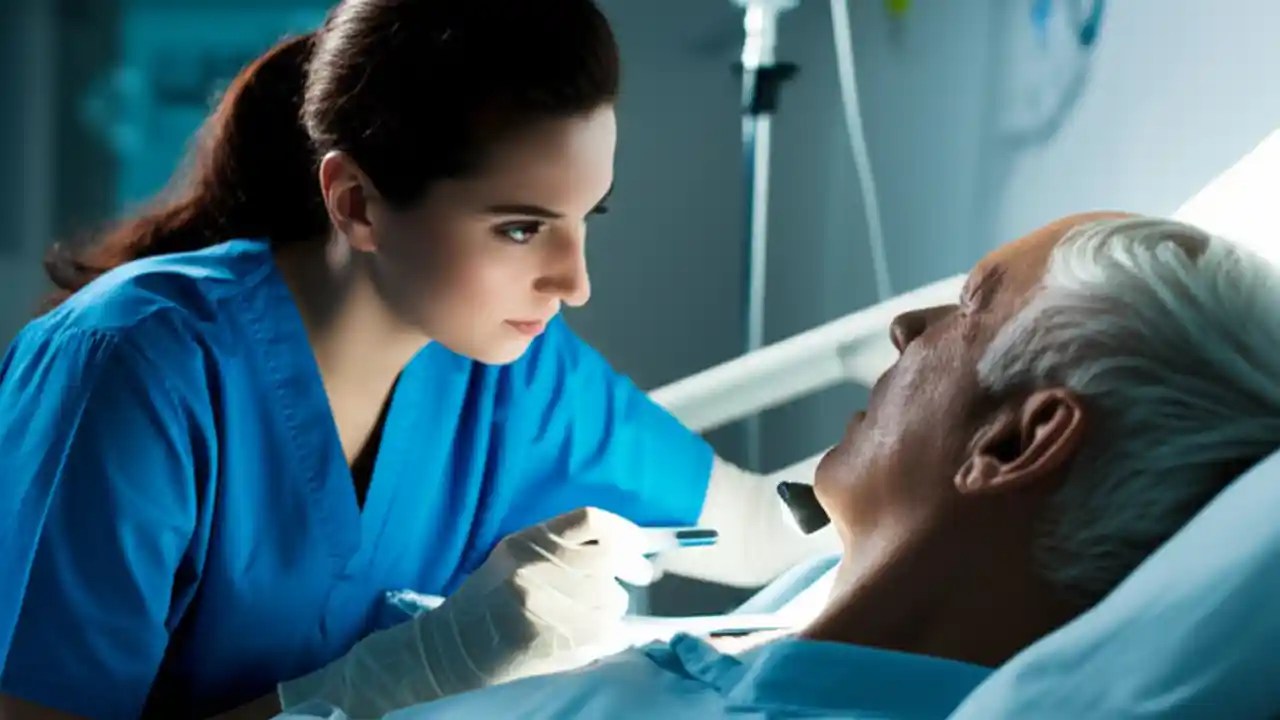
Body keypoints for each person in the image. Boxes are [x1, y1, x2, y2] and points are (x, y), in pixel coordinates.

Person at [0, 2, 832, 718]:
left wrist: (935, 399)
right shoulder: (130, 372)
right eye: (519, 228)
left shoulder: (521, 380)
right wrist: (404, 673)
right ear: (356, 204)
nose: (575, 283)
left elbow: (760, 530)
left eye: (587, 218)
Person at [293, 213, 1280, 719]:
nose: (904, 327)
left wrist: (392, 682)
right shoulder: (780, 632)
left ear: (1013, 443)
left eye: (970, 307)